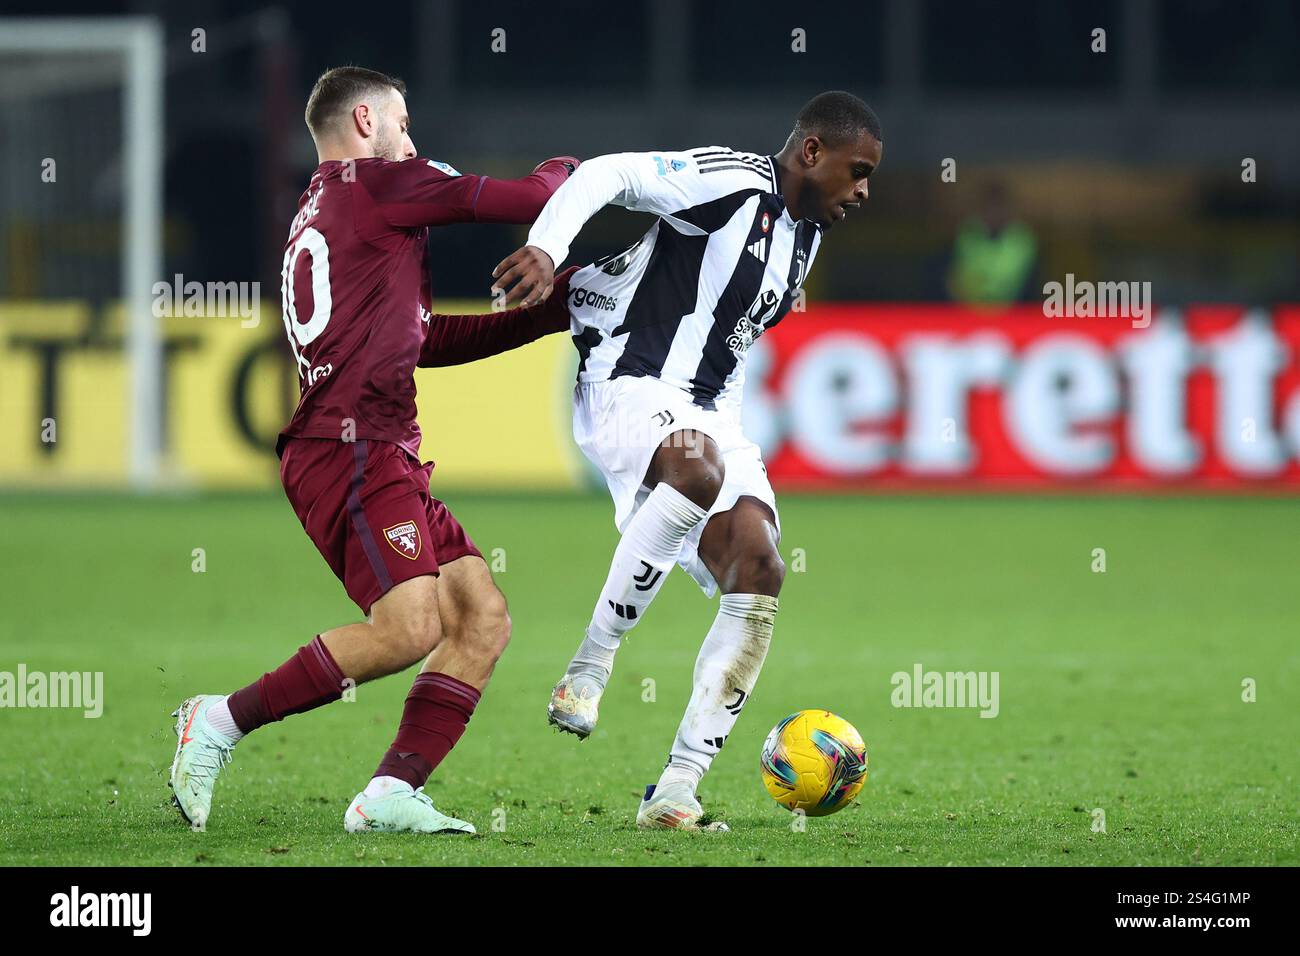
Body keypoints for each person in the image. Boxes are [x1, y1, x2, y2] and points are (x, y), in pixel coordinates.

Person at [168, 66, 579, 834]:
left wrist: (544, 318)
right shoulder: (379, 184)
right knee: (408, 628)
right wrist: (576, 169)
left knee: (480, 616)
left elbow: (421, 340)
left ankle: (389, 793)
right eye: (403, 121)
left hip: (374, 449)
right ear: (365, 121)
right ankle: (219, 719)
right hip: (349, 451)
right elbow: (528, 198)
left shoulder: (324, 207)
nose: (413, 142)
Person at [492, 90, 882, 830]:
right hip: (626, 383)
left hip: (709, 412)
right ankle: (591, 665)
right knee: (695, 469)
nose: (863, 192)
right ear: (810, 153)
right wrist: (547, 245)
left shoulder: (807, 236)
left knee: (760, 566)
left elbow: (726, 349)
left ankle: (677, 786)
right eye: (856, 171)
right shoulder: (729, 180)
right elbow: (606, 175)